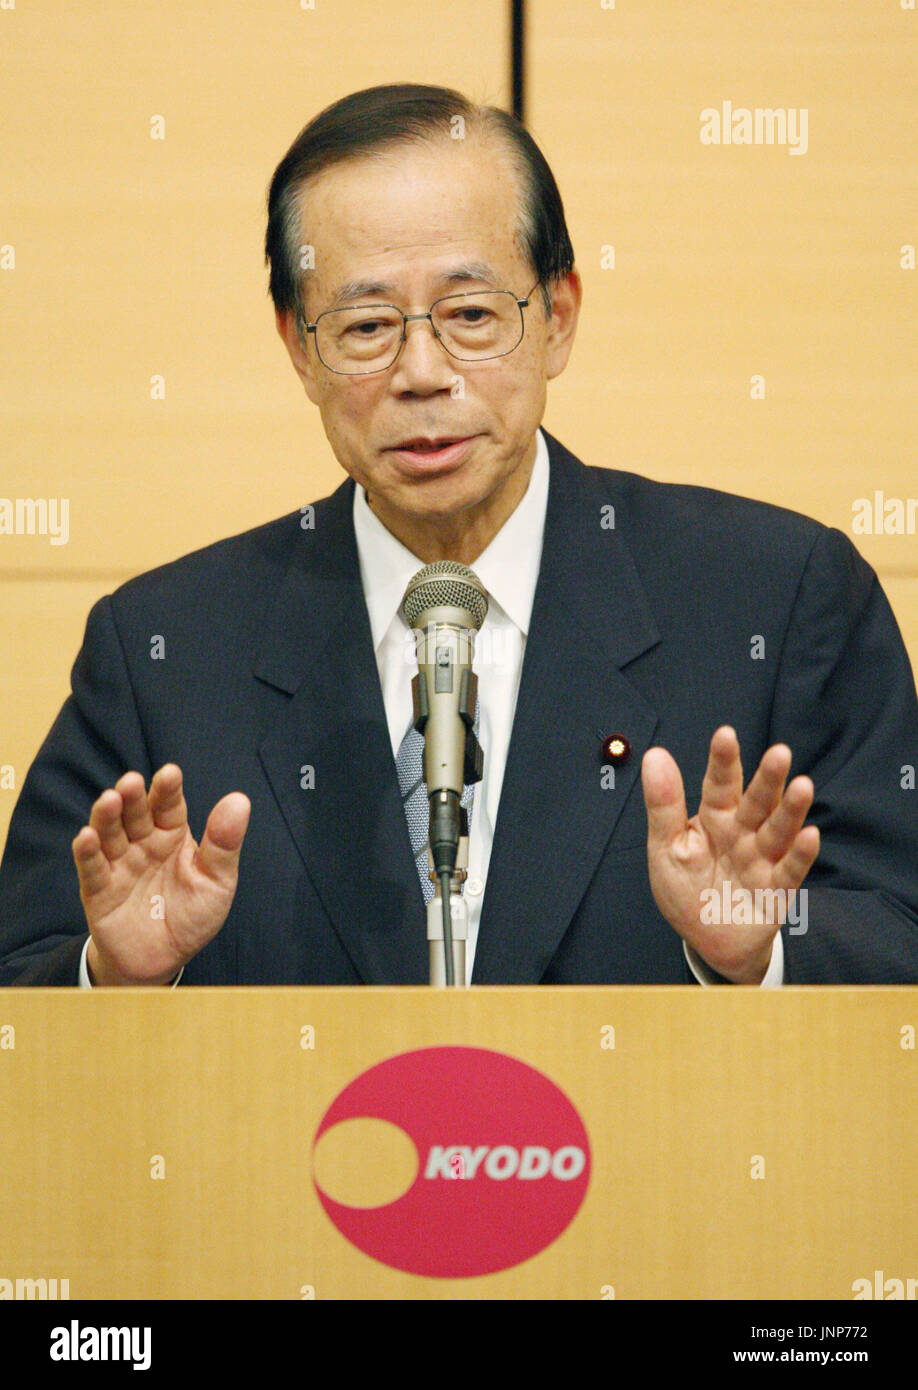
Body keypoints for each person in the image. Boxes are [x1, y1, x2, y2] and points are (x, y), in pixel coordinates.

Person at [1, 83, 916, 989]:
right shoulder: (165, 652)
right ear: (298, 348)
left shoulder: (778, 598)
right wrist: (112, 981)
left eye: (471, 315)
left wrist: (757, 952)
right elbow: (24, 985)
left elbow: (896, 931)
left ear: (558, 316)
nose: (423, 374)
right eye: (365, 327)